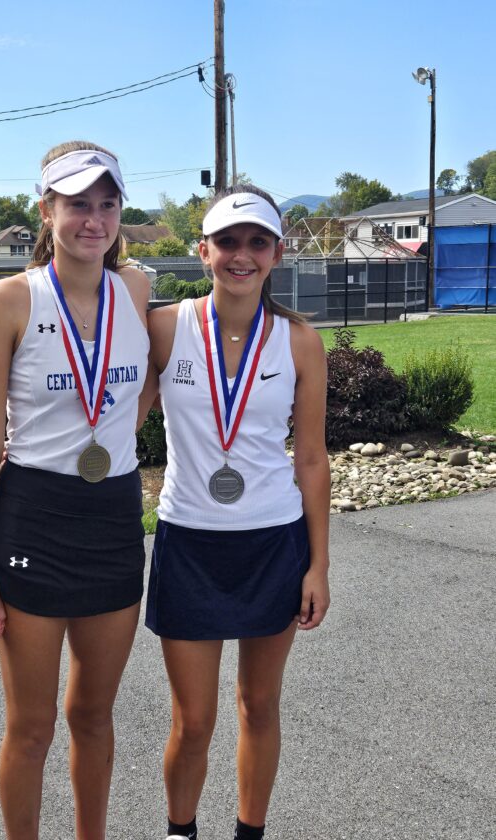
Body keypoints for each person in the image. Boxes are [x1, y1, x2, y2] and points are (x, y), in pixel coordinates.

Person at [0, 140, 150, 840]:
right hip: (33, 520)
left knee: (94, 716)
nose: (92, 220)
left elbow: (146, 383)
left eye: (107, 204)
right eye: (76, 205)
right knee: (33, 726)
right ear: (46, 210)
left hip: (114, 522)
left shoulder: (137, 289)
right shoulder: (8, 301)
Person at [143, 185, 331, 840]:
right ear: (204, 251)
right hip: (190, 543)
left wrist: (319, 567)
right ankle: (181, 832)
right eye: (227, 242)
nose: (241, 256)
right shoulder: (165, 327)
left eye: (256, 243)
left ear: (277, 253)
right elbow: (113, 416)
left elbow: (310, 460)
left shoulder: (300, 341)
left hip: (273, 547)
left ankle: (250, 833)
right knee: (193, 721)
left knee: (258, 707)